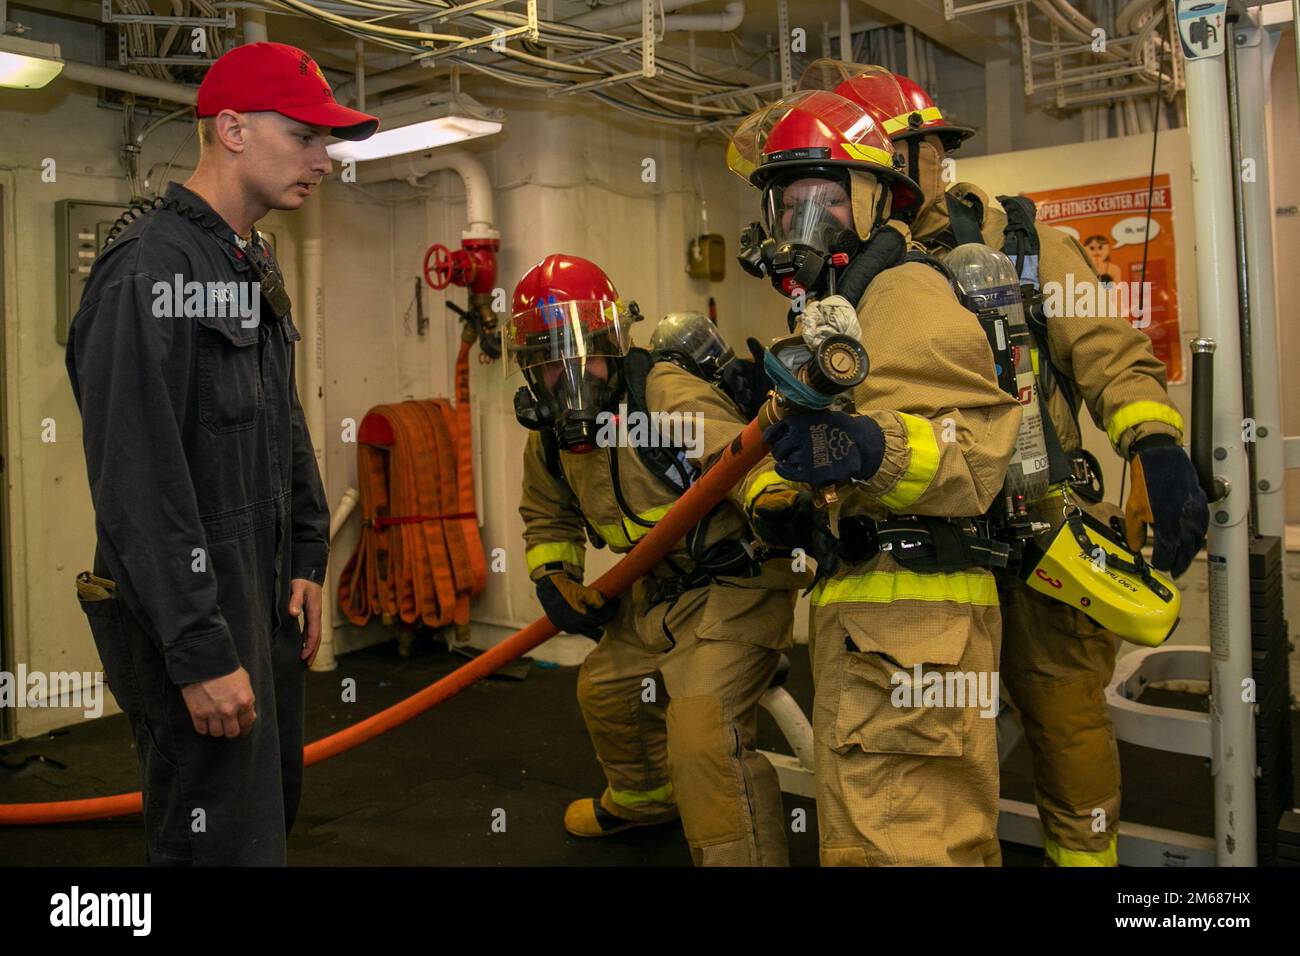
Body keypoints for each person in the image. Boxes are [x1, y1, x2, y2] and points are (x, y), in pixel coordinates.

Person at [802, 61, 1209, 866]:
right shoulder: (859, 276)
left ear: (931, 155)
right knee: (931, 750)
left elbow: (1110, 355)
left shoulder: (1022, 243)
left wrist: (1154, 445)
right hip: (929, 555)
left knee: (1066, 723)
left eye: (896, 154)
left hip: (1038, 532)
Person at [65, 42, 378, 865]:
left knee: (262, 824)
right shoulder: (148, 270)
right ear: (232, 130)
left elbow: (279, 421)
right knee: (216, 843)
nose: (325, 159)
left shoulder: (248, 261)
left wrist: (306, 552)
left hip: (259, 598)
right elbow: (138, 483)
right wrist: (200, 651)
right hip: (194, 611)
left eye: (327, 141)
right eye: (305, 136)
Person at [727, 90, 1022, 865]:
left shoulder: (905, 292)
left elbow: (978, 454)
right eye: (788, 204)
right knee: (873, 839)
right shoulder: (838, 309)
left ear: (871, 202)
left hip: (916, 634)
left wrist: (867, 449)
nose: (804, 223)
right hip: (875, 632)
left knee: (912, 845)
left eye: (825, 199)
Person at [511, 255, 806, 866]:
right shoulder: (549, 440)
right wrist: (554, 575)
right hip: (651, 595)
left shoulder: (660, 393)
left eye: (586, 356)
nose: (573, 378)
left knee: (703, 738)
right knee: (606, 690)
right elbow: (548, 516)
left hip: (733, 585)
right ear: (530, 372)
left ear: (615, 344)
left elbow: (734, 454)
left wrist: (771, 497)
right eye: (550, 364)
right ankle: (644, 801)